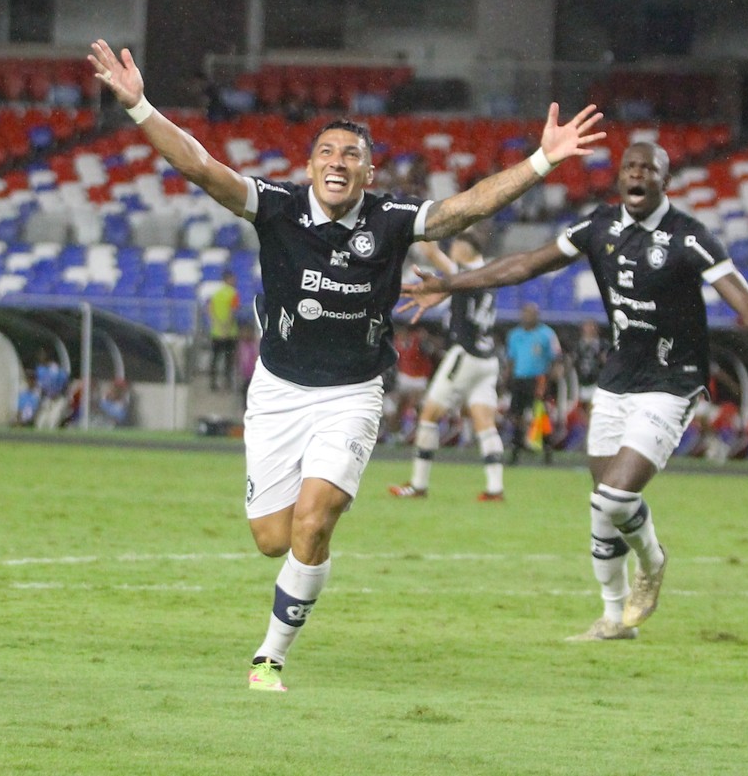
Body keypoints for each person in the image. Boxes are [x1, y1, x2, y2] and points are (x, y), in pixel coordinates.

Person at [88, 36, 604, 691]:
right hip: (277, 390)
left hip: (352, 393)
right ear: (310, 166)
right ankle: (303, 571)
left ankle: (270, 656)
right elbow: (201, 167)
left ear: (369, 172)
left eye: (351, 154)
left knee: (315, 519)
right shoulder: (276, 206)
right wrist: (140, 107)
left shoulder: (392, 219)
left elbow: (464, 209)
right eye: (327, 152)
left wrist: (541, 160)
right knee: (273, 539)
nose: (338, 161)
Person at [400, 141, 748, 641]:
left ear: (666, 180)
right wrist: (452, 284)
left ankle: (653, 559)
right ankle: (613, 618)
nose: (638, 174)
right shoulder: (599, 226)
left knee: (615, 498)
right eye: (630, 168)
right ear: (620, 178)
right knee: (602, 506)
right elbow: (527, 264)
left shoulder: (690, 237)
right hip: (617, 381)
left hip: (672, 383)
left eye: (649, 168)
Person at [388, 234, 508, 500]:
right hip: (487, 359)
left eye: (454, 246)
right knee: (485, 422)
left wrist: (424, 232)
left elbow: (431, 253)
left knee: (429, 414)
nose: (451, 250)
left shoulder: (465, 273)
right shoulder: (489, 275)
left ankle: (418, 484)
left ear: (464, 249)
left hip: (465, 354)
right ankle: (495, 488)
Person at [504, 302, 561, 465]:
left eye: (531, 313)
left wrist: (551, 379)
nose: (527, 317)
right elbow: (511, 359)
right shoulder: (514, 335)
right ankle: (516, 451)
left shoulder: (547, 334)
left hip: (538, 379)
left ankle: (548, 452)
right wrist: (507, 377)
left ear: (537, 315)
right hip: (519, 379)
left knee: (541, 415)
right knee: (516, 416)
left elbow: (556, 358)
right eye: (525, 313)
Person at [209, 269, 241, 391]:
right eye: (233, 278)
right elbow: (233, 311)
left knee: (215, 358)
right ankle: (227, 383)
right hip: (230, 332)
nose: (235, 281)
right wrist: (226, 326)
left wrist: (217, 324)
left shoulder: (216, 293)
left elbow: (210, 310)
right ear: (228, 279)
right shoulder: (233, 293)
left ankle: (213, 383)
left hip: (216, 332)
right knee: (229, 359)